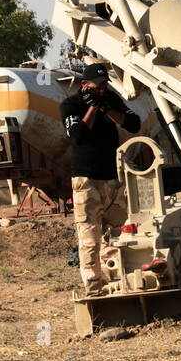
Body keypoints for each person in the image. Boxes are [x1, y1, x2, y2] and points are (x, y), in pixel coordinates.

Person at [60, 63, 141, 295]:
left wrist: (106, 109)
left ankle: (118, 282)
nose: (102, 90)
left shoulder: (110, 100)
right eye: (98, 86)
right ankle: (95, 289)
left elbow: (133, 124)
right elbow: (77, 136)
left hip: (112, 180)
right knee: (89, 239)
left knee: (118, 235)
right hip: (86, 181)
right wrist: (92, 108)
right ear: (85, 85)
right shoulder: (70, 105)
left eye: (105, 85)